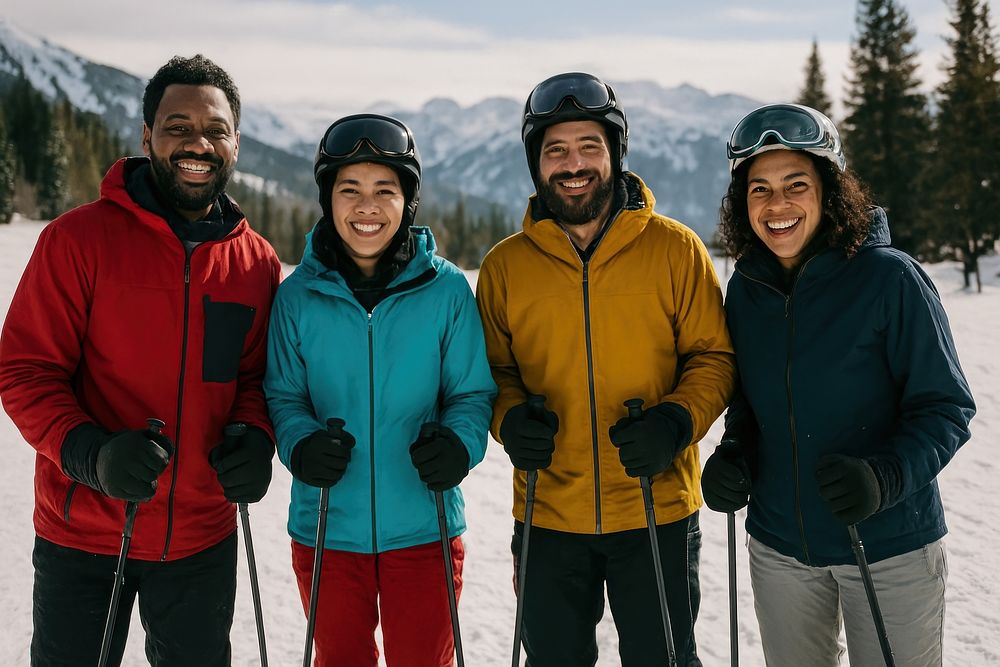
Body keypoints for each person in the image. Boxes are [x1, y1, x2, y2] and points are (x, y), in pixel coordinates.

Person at [0, 55, 281, 665]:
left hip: (202, 540)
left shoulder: (255, 262)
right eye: (178, 126)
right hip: (84, 531)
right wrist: (89, 452)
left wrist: (255, 437)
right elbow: (25, 371)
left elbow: (256, 378)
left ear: (235, 142)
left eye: (215, 129)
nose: (197, 143)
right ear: (147, 136)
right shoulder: (76, 241)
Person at [702, 103, 976, 666]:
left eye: (795, 184)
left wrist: (883, 477)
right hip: (780, 548)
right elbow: (751, 407)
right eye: (760, 189)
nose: (777, 206)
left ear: (830, 190)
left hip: (888, 544)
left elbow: (945, 407)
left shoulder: (889, 278)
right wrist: (737, 455)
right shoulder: (748, 290)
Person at [476, 72, 736, 666]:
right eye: (556, 150)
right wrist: (509, 418)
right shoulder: (505, 266)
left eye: (590, 147)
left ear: (615, 153)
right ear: (536, 163)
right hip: (548, 512)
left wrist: (676, 421)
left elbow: (713, 356)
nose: (574, 164)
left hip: (656, 504)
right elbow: (491, 372)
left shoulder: (676, 250)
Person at [264, 113, 496, 667]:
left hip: (425, 526)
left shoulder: (446, 291)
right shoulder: (297, 297)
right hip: (326, 529)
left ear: (406, 202)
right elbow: (283, 395)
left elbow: (472, 393)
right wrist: (299, 444)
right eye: (350, 190)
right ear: (329, 199)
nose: (367, 207)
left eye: (384, 190)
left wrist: (459, 446)